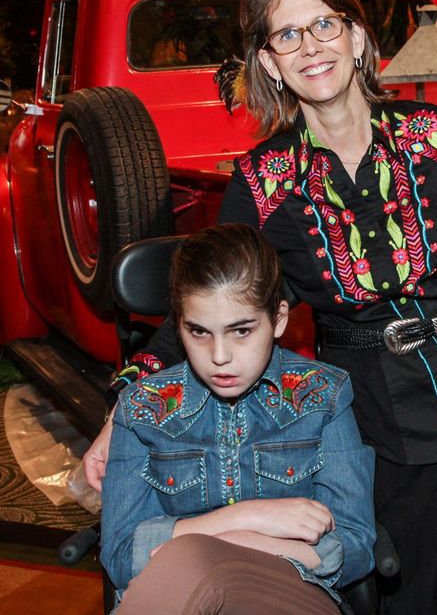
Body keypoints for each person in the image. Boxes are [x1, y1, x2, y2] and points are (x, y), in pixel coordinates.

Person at [87, 0, 437, 615]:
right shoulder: (263, 181)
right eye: (285, 35)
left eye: (324, 24)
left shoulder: (435, 134)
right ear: (268, 62)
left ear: (356, 37)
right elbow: (215, 299)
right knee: (424, 591)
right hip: (385, 419)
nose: (309, 46)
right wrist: (126, 405)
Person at [101, 224, 376, 614]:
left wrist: (183, 542)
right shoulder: (141, 407)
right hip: (183, 594)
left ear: (278, 319)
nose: (219, 356)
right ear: (178, 325)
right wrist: (250, 519)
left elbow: (355, 546)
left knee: (185, 562)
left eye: (241, 331)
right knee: (188, 567)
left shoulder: (322, 395)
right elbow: (121, 557)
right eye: (198, 332)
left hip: (292, 593)